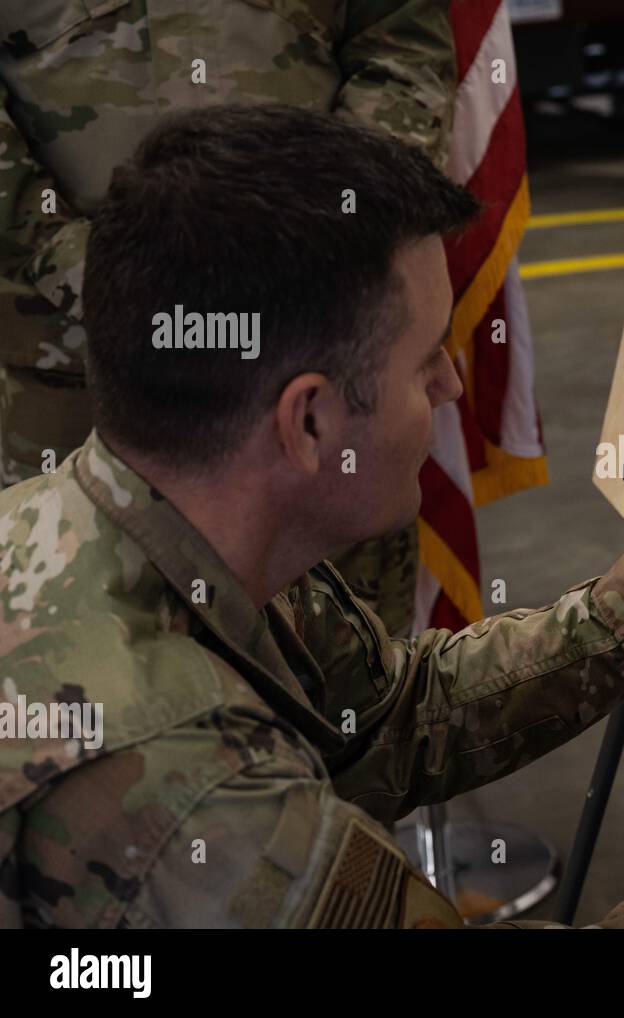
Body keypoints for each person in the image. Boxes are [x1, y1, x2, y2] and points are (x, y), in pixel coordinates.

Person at [0, 104, 624, 929]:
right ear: (308, 424)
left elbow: (392, 718)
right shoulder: (190, 800)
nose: (451, 385)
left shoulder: (145, 527)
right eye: (424, 363)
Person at [0, 0, 461, 638]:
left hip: (322, 332)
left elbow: (400, 35)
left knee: (339, 656)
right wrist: (97, 274)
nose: (450, 386)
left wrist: (341, 253)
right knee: (67, 633)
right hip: (59, 353)